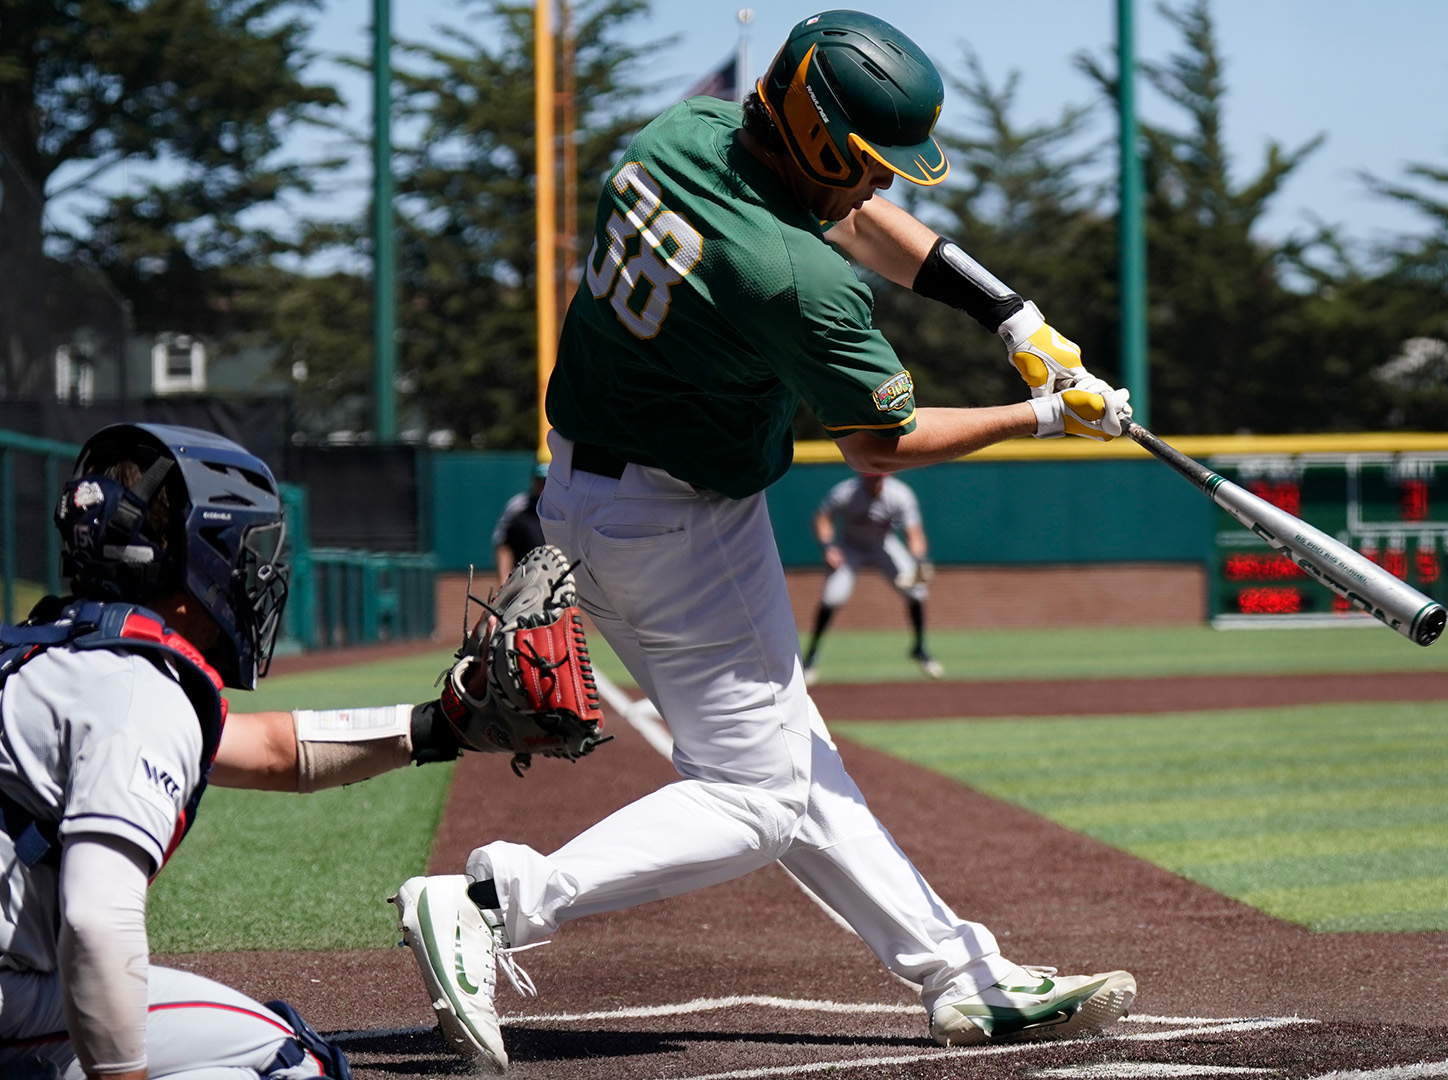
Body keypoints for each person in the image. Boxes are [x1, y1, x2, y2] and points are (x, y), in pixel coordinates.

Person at [391, 10, 1137, 1072]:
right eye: (868, 165)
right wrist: (1046, 419)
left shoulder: (683, 132)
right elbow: (884, 442)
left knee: (791, 752)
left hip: (593, 490)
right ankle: (494, 903)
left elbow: (846, 220)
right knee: (759, 795)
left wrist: (1005, 313)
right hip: (672, 525)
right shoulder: (796, 278)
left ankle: (957, 973)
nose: (880, 189)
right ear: (823, 143)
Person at [0, 422, 501, 1079]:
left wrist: (446, 726)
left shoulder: (48, 652)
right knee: (292, 1064)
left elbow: (267, 750)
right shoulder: (139, 691)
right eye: (240, 548)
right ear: (195, 558)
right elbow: (96, 921)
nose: (252, 573)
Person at [803, 470, 940, 684]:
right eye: (870, 476)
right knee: (832, 597)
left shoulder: (900, 494)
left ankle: (920, 648)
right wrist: (828, 547)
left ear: (886, 476)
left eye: (878, 476)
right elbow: (823, 517)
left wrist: (919, 560)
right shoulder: (846, 491)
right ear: (863, 476)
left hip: (882, 544)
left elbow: (914, 532)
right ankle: (811, 655)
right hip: (851, 547)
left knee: (916, 591)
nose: (874, 480)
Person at [492, 461, 548, 583]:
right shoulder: (519, 506)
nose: (543, 487)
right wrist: (504, 581)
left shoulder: (563, 508)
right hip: (525, 576)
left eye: (546, 482)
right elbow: (503, 544)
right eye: (540, 482)